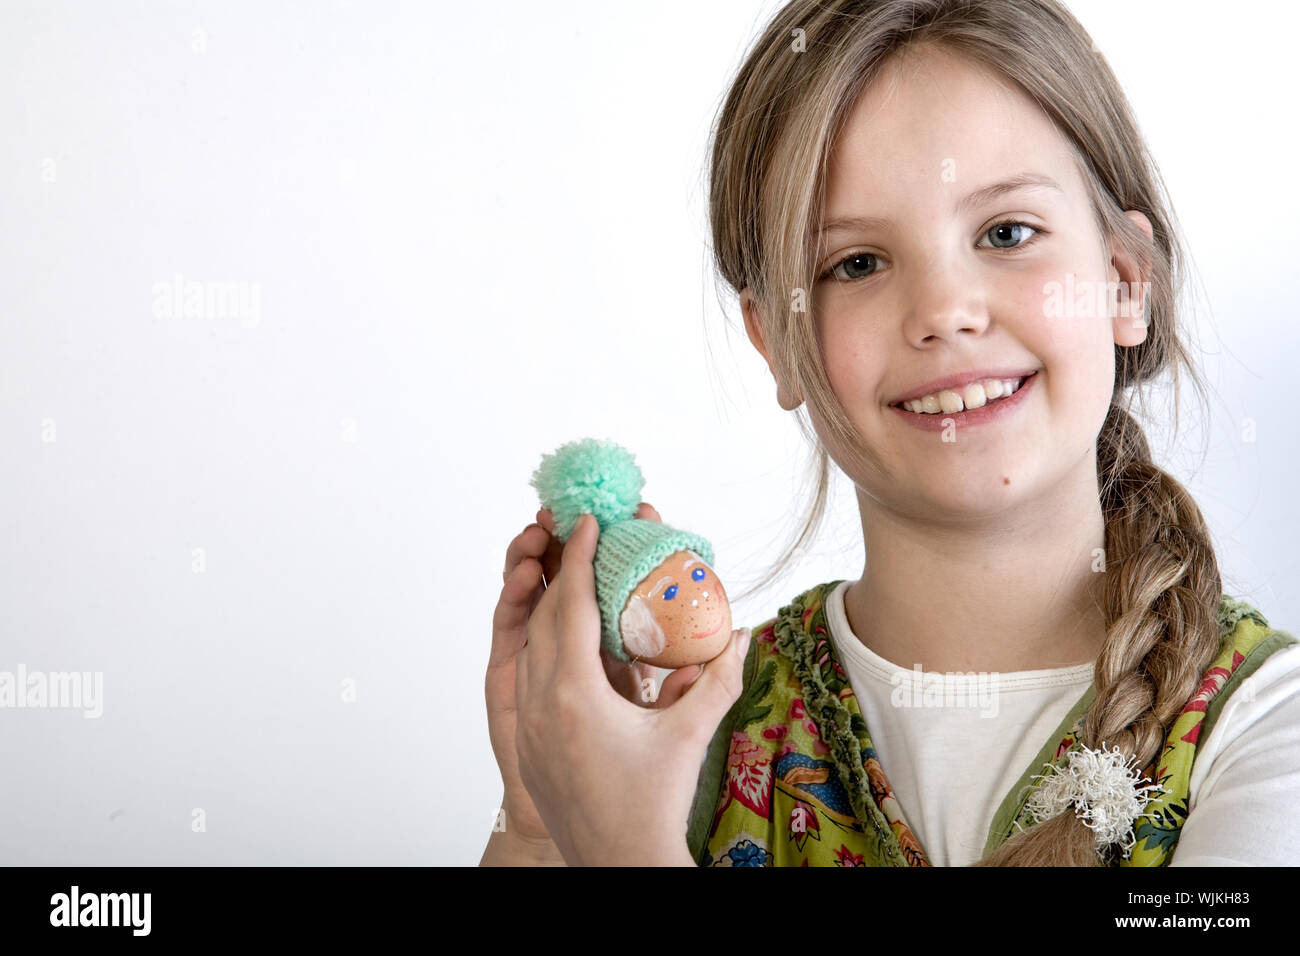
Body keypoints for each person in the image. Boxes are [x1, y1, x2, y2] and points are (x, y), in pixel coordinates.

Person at [480, 0, 1300, 867]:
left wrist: (623, 852)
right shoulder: (677, 735)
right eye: (857, 264)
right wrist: (537, 826)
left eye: (1007, 232)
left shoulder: (1262, 732)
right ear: (778, 343)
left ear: (1124, 282)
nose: (945, 311)